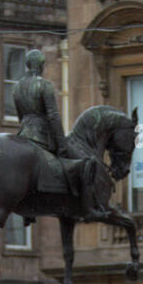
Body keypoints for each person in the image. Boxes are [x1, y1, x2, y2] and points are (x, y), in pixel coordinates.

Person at [12, 47, 104, 218]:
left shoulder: (17, 88)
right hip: (41, 136)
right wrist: (61, 143)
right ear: (41, 65)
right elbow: (53, 116)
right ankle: (88, 208)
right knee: (84, 164)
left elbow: (20, 115)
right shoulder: (44, 85)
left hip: (23, 134)